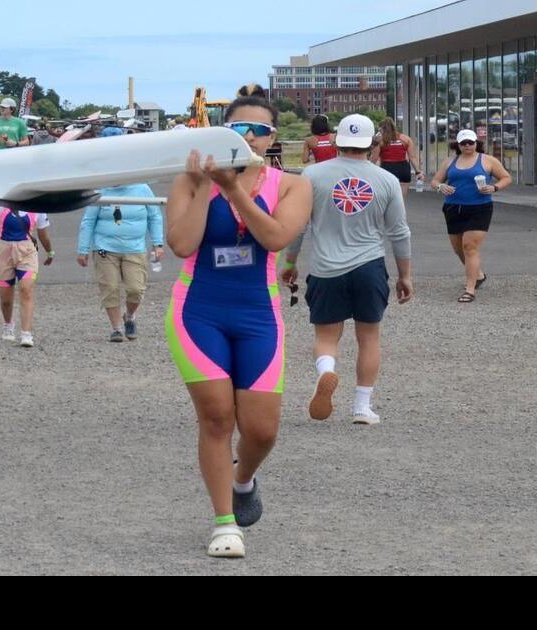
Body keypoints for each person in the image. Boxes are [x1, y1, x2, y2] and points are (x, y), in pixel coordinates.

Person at [164, 84, 312, 559]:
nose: (249, 137)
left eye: (260, 130)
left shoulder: (292, 185)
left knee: (262, 430)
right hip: (198, 310)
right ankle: (224, 523)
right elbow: (182, 245)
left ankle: (243, 479)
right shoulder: (189, 180)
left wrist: (234, 190)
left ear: (273, 138)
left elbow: (276, 238)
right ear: (221, 132)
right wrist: (208, 187)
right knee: (216, 417)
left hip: (258, 314)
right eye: (238, 128)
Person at [282, 113, 415, 428]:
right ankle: (362, 408)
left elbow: (299, 226)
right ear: (372, 143)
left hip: (326, 268)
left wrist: (290, 262)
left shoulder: (311, 175)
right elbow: (399, 231)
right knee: (368, 337)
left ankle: (326, 371)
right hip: (369, 266)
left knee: (326, 336)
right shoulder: (387, 180)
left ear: (338, 140)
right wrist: (404, 275)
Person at [431, 129, 513, 303]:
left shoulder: (488, 160)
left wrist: (494, 187)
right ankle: (479, 275)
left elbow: (506, 177)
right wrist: (440, 187)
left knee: (469, 247)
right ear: (458, 145)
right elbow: (435, 181)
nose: (467, 145)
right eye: (463, 143)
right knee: (458, 249)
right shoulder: (450, 161)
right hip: (453, 207)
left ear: (477, 143)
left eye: (470, 142)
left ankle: (470, 289)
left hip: (480, 208)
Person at [78, 182, 164, 341]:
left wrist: (158, 243)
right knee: (109, 287)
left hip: (135, 248)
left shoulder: (143, 189)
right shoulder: (100, 190)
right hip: (104, 248)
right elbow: (88, 220)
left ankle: (129, 316)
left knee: (136, 289)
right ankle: (116, 328)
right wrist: (83, 249)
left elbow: (154, 216)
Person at [0, 206, 54, 348]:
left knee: (26, 290)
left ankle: (26, 334)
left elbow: (43, 234)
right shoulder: (0, 205)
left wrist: (50, 252)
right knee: (6, 300)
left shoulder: (38, 208)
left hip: (27, 252)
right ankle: (8, 324)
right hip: (4, 252)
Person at [371, 118, 423, 197]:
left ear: (382, 129)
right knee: (401, 199)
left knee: (387, 199)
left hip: (387, 169)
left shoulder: (380, 141)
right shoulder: (406, 139)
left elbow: (374, 159)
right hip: (403, 169)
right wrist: (418, 172)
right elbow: (413, 157)